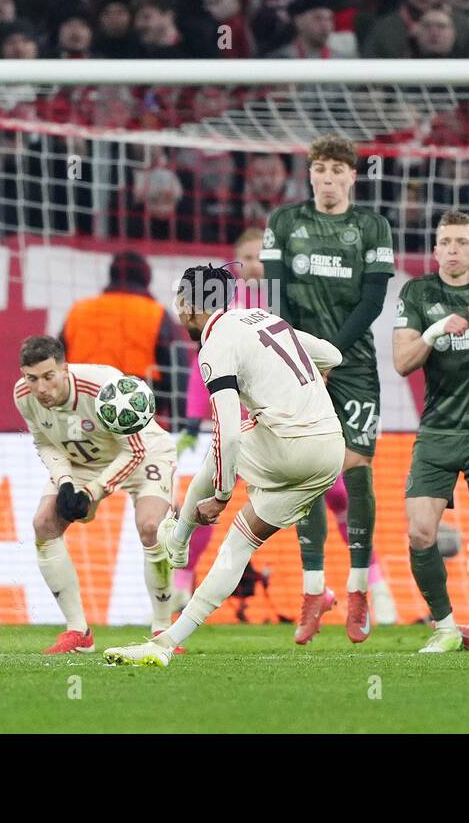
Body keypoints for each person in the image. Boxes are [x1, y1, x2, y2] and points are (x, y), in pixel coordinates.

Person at [103, 265, 345, 666]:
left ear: (187, 305)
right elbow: (332, 354)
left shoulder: (215, 345)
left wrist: (220, 495)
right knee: (240, 542)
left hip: (288, 446)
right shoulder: (267, 320)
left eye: (179, 303)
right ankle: (164, 643)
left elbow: (228, 435)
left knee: (218, 451)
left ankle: (177, 542)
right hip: (329, 451)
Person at [262, 134, 395, 643]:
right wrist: (302, 354)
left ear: (352, 176)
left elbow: (372, 301)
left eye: (339, 171)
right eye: (321, 169)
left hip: (354, 366)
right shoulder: (285, 223)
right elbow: (276, 296)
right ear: (311, 173)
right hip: (297, 362)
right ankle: (314, 589)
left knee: (356, 470)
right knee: (307, 469)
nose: (329, 178)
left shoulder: (372, 226)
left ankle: (358, 589)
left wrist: (329, 354)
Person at [393, 210, 469, 653]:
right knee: (420, 533)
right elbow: (403, 362)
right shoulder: (418, 292)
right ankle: (444, 627)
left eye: (463, 243)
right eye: (447, 242)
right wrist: (437, 330)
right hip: (437, 432)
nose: (454, 250)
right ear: (435, 249)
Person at [15, 335, 178, 654]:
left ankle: (162, 630)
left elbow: (134, 451)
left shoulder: (105, 386)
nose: (42, 388)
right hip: (82, 461)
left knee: (150, 528)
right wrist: (64, 482)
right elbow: (45, 442)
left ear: (64, 369)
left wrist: (92, 492)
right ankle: (78, 632)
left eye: (49, 376)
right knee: (43, 524)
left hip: (144, 454)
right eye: (32, 379)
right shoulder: (23, 396)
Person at [61, 250, 186, 431]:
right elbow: (176, 372)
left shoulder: (79, 310)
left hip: (83, 405)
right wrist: (180, 423)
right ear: (146, 278)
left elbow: (55, 361)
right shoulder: (155, 313)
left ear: (111, 275)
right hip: (135, 408)